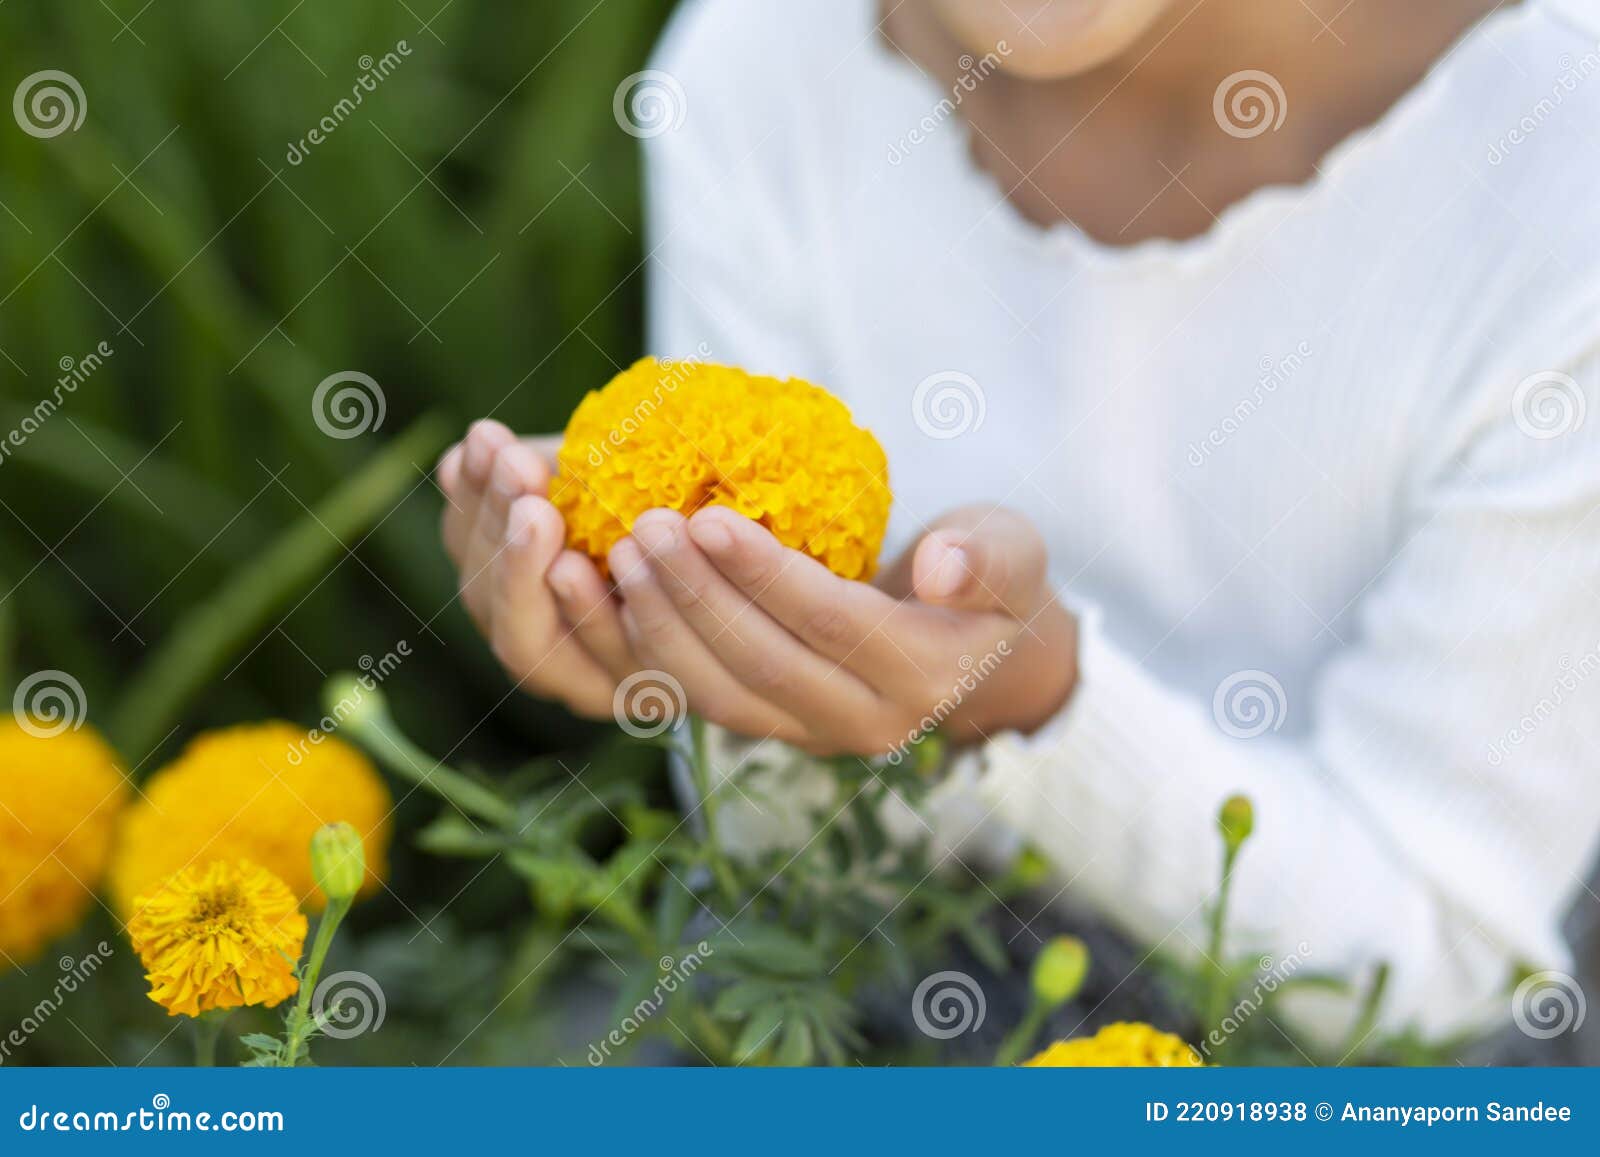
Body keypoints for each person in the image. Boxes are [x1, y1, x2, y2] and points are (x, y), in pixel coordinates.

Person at [436, 0, 1600, 1049]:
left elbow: (1438, 967)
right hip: (867, 961)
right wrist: (718, 662)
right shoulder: (760, 61)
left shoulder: (1559, 169)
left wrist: (1040, 705)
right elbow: (787, 868)